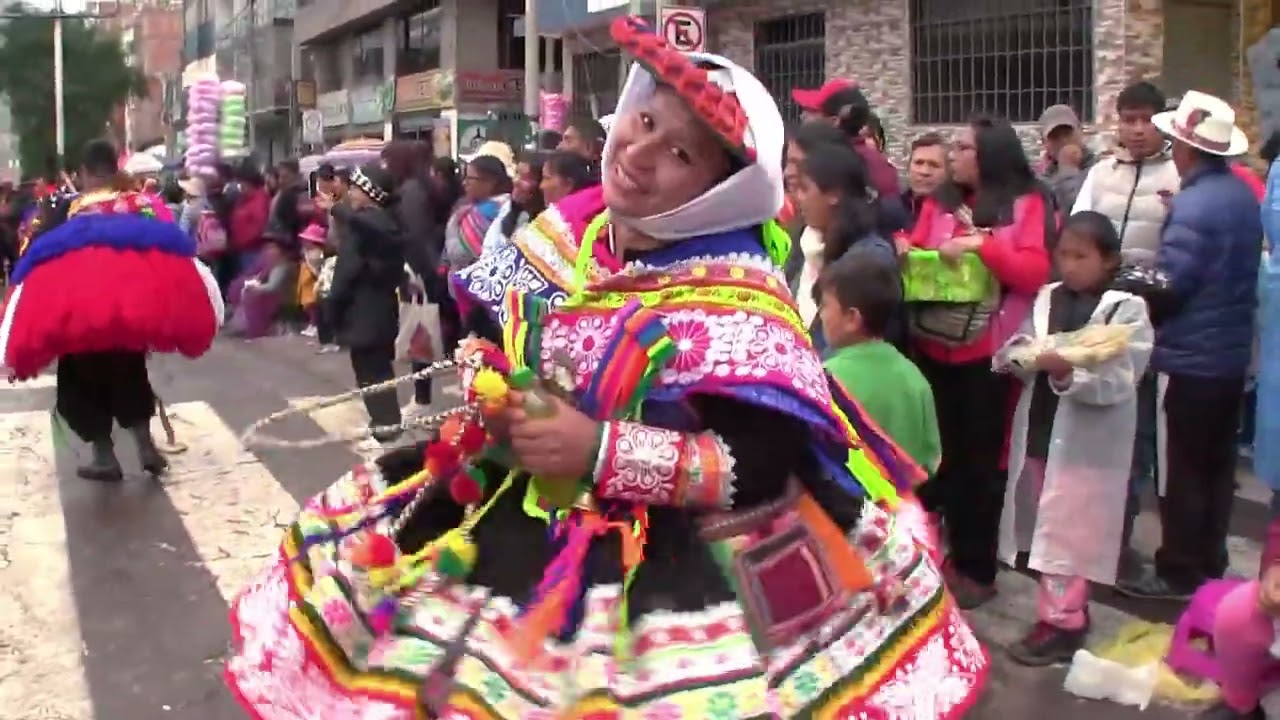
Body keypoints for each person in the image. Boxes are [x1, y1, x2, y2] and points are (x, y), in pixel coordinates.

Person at [224, 17, 989, 718]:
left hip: (670, 564)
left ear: (721, 191)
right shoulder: (581, 225)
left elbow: (757, 461)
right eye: (645, 119)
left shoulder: (737, 292)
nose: (640, 150)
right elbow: (513, 329)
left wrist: (599, 449)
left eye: (681, 152)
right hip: (522, 512)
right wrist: (493, 373)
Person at [0, 138, 222, 480]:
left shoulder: (68, 208)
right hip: (127, 315)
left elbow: (35, 249)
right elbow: (173, 247)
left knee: (80, 383)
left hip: (80, 316)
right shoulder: (142, 203)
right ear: (115, 169)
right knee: (129, 372)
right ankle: (145, 444)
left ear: (85, 173)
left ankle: (104, 456)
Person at [904, 115, 1054, 609]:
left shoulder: (1026, 203)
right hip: (932, 344)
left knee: (980, 464)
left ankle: (976, 566)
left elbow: (1034, 270)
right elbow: (924, 254)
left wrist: (981, 246)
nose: (955, 156)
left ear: (990, 154)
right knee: (935, 460)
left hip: (988, 354)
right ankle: (932, 553)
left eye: (965, 148)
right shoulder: (940, 202)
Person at [1119, 91, 1263, 600]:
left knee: (1181, 469)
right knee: (1217, 465)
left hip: (1191, 358)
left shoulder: (1196, 203)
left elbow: (1173, 282)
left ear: (1186, 148)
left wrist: (1128, 277)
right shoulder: (1242, 195)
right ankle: (1210, 559)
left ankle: (1178, 568)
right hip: (1229, 356)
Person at [994, 210, 1153, 664]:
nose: (1070, 266)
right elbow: (1022, 342)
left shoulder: (1126, 309)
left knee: (1071, 533)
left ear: (1109, 260)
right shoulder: (1046, 298)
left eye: (1081, 256)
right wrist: (1021, 357)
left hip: (1089, 441)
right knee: (1048, 522)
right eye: (1063, 255)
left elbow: (1124, 376)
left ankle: (1064, 621)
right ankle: (1062, 613)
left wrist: (1068, 373)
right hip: (1044, 428)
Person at [1069, 80, 1181, 580]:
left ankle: (1121, 542)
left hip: (1155, 324)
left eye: (1146, 120)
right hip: (1099, 320)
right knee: (1095, 429)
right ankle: (1090, 540)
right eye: (1128, 119)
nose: (1137, 130)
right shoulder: (1100, 174)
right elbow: (1077, 230)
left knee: (1138, 438)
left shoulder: (1180, 176)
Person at [820, 254, 940, 474]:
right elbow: (930, 461)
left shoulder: (826, 379)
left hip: (847, 502)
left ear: (852, 319)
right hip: (902, 503)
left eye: (825, 306)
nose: (821, 314)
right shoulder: (915, 378)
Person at [319, 163, 406, 446]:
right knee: (381, 370)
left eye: (355, 188)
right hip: (382, 310)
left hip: (362, 311)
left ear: (369, 194)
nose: (352, 194)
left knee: (370, 373)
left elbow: (346, 274)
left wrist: (331, 311)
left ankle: (385, 427)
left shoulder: (365, 228)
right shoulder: (388, 223)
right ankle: (387, 424)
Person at [789, 142, 900, 351]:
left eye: (805, 188)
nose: (797, 198)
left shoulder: (871, 259)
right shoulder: (805, 243)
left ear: (834, 194)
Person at [443, 152, 511, 270]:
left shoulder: (482, 214)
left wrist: (453, 223)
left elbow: (457, 254)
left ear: (490, 182)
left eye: (470, 179)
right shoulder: (508, 204)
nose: (464, 183)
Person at [1038, 104, 1096, 213]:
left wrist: (1068, 169)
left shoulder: (1099, 169)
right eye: (1055, 137)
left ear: (1081, 131)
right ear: (1044, 143)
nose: (1064, 141)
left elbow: (1079, 212)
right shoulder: (1042, 180)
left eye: (1067, 133)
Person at [904, 132, 949, 227]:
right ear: (908, 167)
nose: (924, 172)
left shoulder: (959, 214)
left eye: (934, 165)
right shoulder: (887, 211)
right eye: (918, 163)